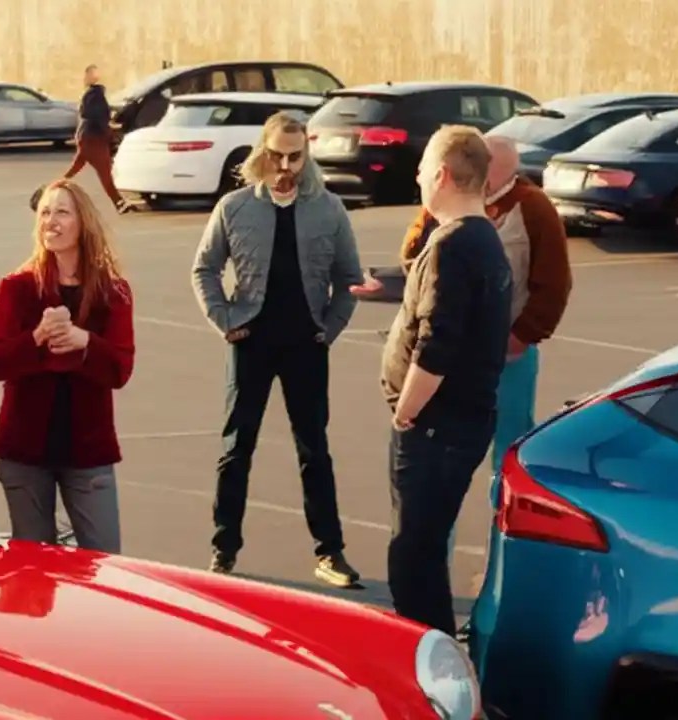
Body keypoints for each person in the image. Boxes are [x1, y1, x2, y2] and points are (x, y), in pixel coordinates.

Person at [190, 111, 365, 588]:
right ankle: (223, 549)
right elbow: (204, 268)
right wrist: (225, 320)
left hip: (306, 344)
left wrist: (329, 329)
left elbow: (349, 277)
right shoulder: (235, 207)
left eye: (295, 156)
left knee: (315, 451)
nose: (286, 166)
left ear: (306, 154)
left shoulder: (328, 208)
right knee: (236, 447)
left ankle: (330, 552)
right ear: (261, 153)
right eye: (276, 155)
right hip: (250, 341)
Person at [379, 135, 572, 498]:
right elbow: (413, 254)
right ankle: (440, 544)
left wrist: (519, 338)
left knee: (509, 452)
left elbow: (555, 284)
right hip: (455, 370)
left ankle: (506, 531)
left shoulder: (532, 207)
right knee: (438, 475)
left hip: (510, 357)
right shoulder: (447, 208)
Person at [379, 125, 513, 636]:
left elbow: (439, 342)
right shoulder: (484, 240)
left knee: (412, 558)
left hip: (436, 429)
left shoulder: (454, 244)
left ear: (440, 174)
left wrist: (406, 408)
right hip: (461, 424)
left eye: (420, 169)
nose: (415, 178)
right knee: (425, 550)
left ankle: (423, 672)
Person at [0, 178, 135, 554]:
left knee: (104, 562)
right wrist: (35, 338)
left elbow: (120, 369)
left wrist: (86, 343)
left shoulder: (113, 292)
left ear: (83, 223)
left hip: (88, 450)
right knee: (34, 570)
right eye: (45, 212)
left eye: (62, 212)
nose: (51, 220)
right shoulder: (16, 287)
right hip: (24, 450)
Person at [61, 64, 137, 214]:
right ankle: (119, 203)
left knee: (76, 168)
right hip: (94, 139)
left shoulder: (89, 95)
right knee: (104, 173)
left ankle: (52, 187)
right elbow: (98, 118)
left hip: (86, 137)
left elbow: (90, 115)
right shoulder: (97, 96)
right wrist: (109, 130)